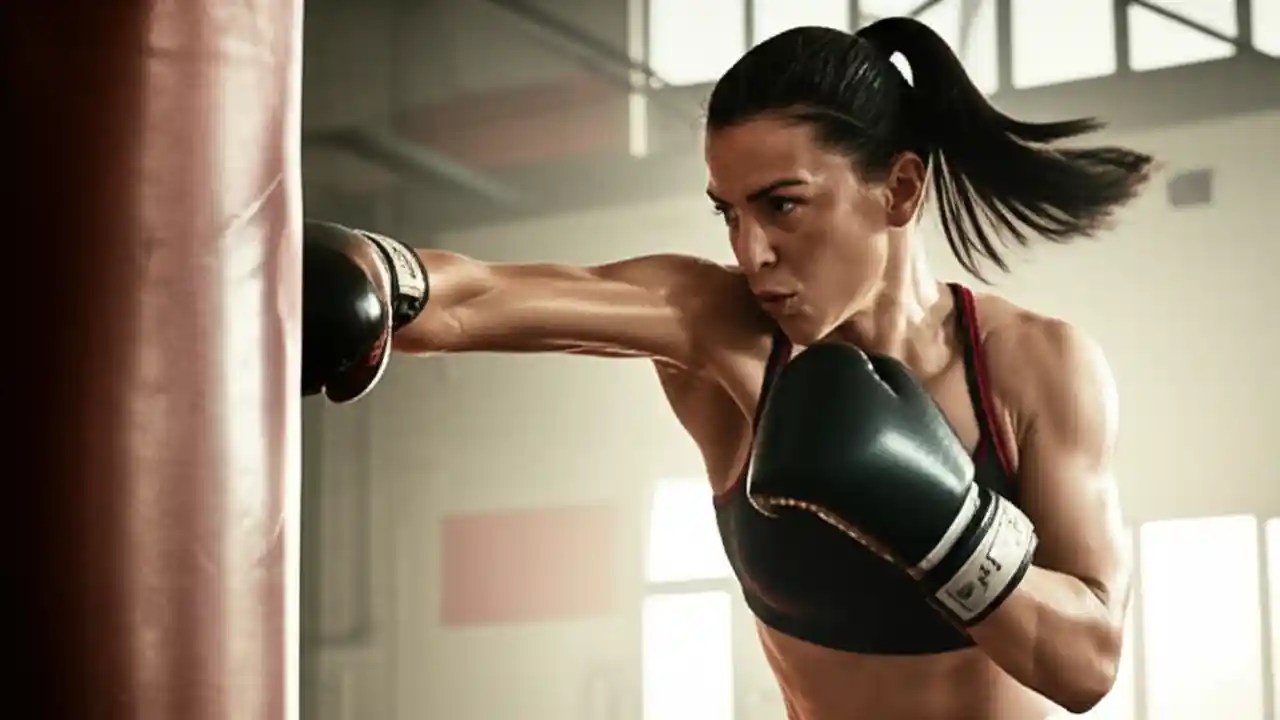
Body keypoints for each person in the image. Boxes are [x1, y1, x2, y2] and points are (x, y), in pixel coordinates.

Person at [303, 17, 1151, 720]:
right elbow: (480, 298)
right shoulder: (725, 339)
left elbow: (1089, 664)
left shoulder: (1033, 367)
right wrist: (372, 275)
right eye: (729, 214)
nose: (752, 254)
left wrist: (942, 523)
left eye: (782, 206)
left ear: (897, 191)